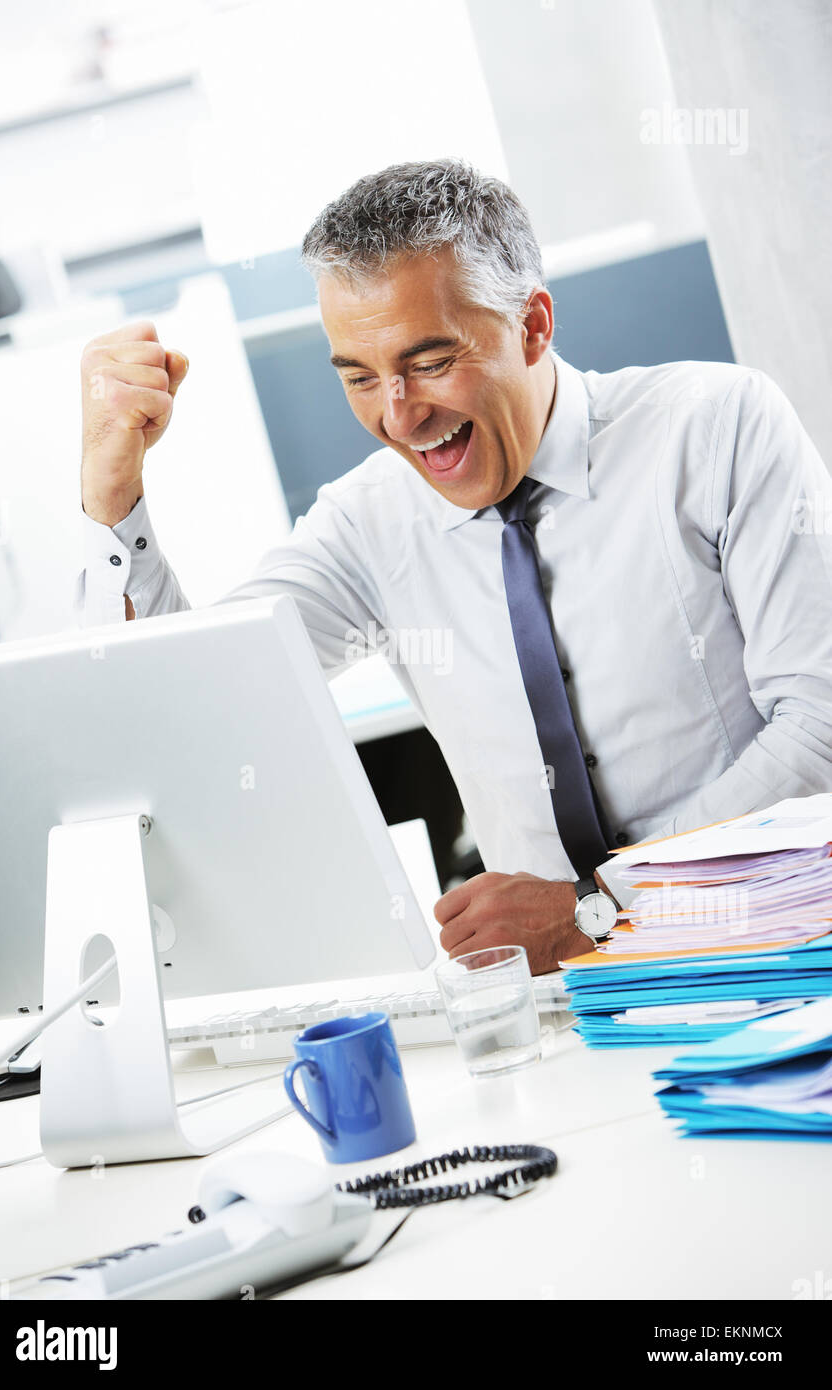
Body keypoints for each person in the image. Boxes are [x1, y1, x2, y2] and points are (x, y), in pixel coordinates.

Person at [77, 159, 832, 974]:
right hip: (554, 999)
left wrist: (604, 907)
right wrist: (111, 492)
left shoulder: (715, 429)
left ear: (534, 325)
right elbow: (182, 702)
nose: (397, 415)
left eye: (430, 362)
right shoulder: (369, 522)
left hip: (771, 951)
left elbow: (820, 729)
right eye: (360, 377)